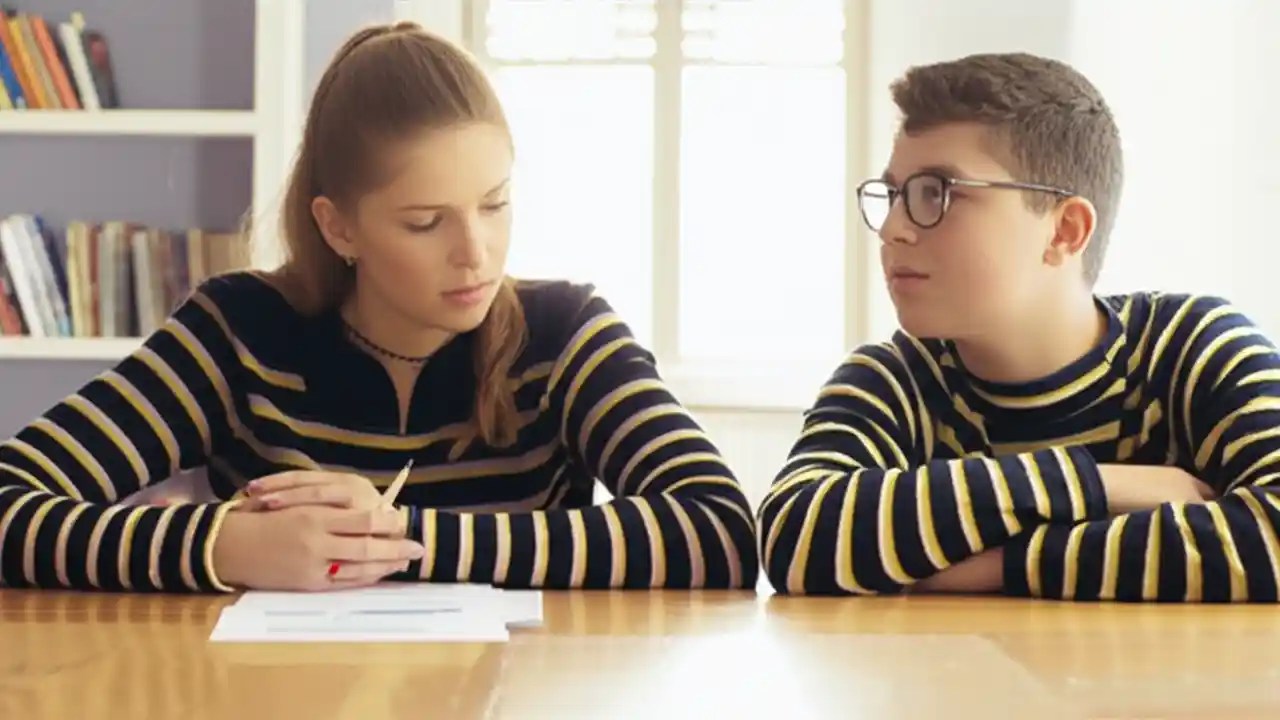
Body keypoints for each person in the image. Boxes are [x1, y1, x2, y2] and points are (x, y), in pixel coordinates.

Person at [0, 22, 758, 593]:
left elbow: (720, 529)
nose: (476, 252)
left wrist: (400, 537)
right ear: (339, 227)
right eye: (425, 223)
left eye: (494, 205)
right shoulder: (238, 332)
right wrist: (220, 546)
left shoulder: (566, 334)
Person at [759, 52, 1280, 602]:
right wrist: (1104, 485)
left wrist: (999, 567)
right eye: (893, 195)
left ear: (1064, 231)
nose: (893, 230)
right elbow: (797, 536)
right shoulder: (894, 380)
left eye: (936, 193)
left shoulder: (1192, 347)